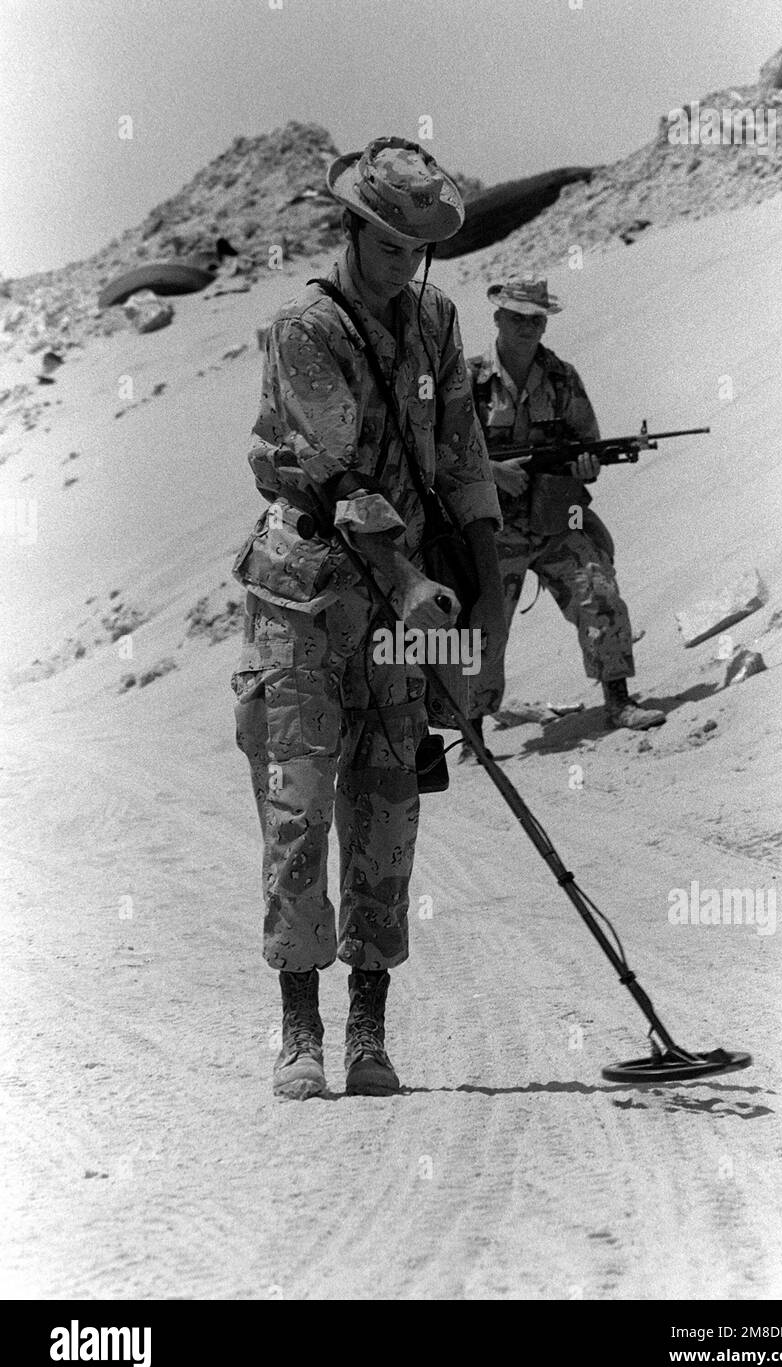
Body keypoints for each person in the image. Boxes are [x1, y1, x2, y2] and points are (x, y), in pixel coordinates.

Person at [230, 137, 506, 1100]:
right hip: (305, 599)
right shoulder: (304, 328)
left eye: (416, 248)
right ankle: (299, 1029)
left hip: (406, 608)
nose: (403, 265)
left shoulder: (435, 320)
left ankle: (368, 1031)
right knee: (301, 814)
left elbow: (464, 462)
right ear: (352, 231)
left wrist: (486, 610)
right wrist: (408, 582)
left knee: (388, 811)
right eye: (388, 245)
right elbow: (345, 480)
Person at [463, 276, 666, 754]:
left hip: (557, 519)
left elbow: (584, 444)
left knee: (598, 591)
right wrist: (492, 471)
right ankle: (471, 733)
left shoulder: (562, 377)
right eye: (517, 318)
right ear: (497, 317)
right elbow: (436, 453)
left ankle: (618, 700)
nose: (527, 327)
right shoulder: (467, 379)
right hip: (491, 527)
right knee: (483, 626)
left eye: (536, 319)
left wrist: (586, 468)